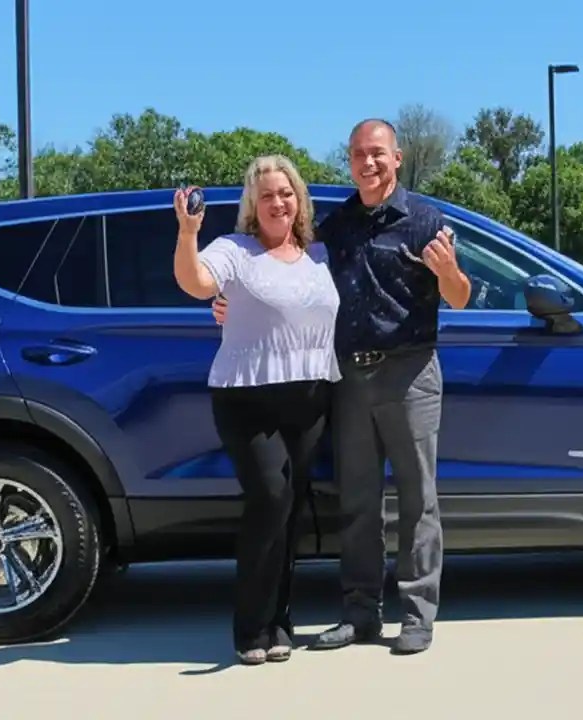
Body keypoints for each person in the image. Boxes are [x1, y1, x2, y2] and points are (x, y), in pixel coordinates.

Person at [212, 119, 470, 655]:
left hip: (410, 370)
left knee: (419, 499)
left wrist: (448, 272)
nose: (368, 163)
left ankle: (417, 616)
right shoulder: (336, 227)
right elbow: (286, 278)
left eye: (377, 153)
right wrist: (231, 305)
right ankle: (361, 615)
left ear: (397, 158)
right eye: (358, 155)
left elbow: (461, 297)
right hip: (348, 375)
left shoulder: (425, 219)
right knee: (357, 501)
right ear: (348, 162)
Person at [173, 154, 341, 666]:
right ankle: (250, 625)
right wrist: (187, 233)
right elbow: (198, 283)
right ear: (253, 203)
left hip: (311, 396)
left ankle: (279, 622)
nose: (278, 203)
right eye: (267, 194)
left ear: (299, 200)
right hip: (247, 397)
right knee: (270, 496)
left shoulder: (320, 254)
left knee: (291, 510)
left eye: (286, 193)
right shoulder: (235, 250)